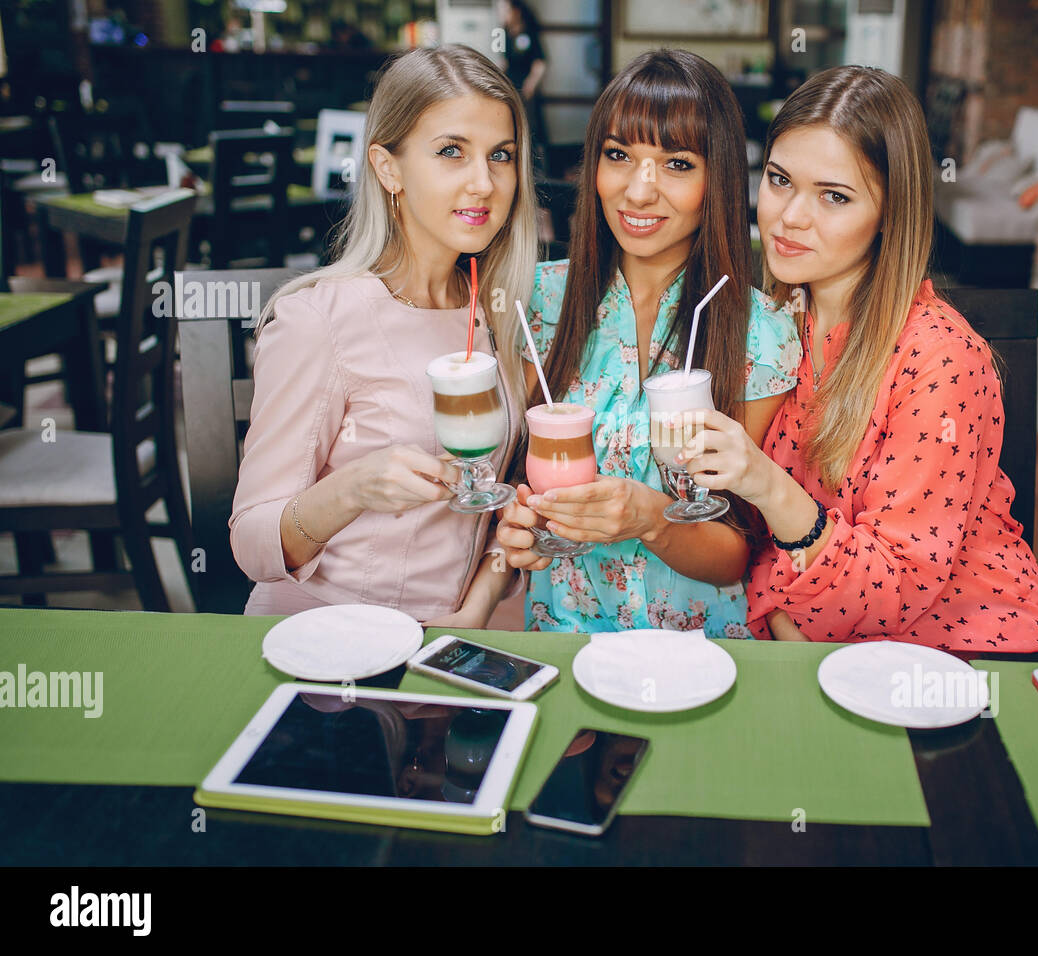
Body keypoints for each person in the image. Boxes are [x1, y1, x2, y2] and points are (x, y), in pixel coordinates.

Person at [675, 66, 1038, 652]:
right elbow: (745, 542)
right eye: (780, 181)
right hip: (820, 651)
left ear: (891, 212)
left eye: (834, 196)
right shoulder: (775, 328)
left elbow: (893, 589)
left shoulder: (941, 359)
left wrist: (767, 486)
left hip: (965, 654)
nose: (790, 217)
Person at [494, 50, 802, 639]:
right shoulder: (534, 304)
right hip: (565, 644)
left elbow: (734, 556)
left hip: (701, 658)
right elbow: (517, 489)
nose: (639, 190)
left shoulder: (760, 333)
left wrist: (650, 518)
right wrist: (517, 530)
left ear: (718, 179)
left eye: (677, 163)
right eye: (619, 156)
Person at [228, 45, 538, 626]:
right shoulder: (318, 321)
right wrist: (350, 490)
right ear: (387, 166)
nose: (484, 182)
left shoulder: (500, 312)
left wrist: (473, 609)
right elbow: (251, 545)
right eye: (452, 152)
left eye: (502, 155)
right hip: (325, 642)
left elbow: (507, 502)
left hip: (451, 640)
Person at [497, 0, 548, 171]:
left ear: (516, 11)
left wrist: (531, 84)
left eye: (505, 9)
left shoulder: (528, 32)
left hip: (526, 89)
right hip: (509, 86)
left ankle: (537, 169)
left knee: (531, 128)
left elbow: (540, 62)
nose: (502, 13)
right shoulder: (501, 33)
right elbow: (501, 61)